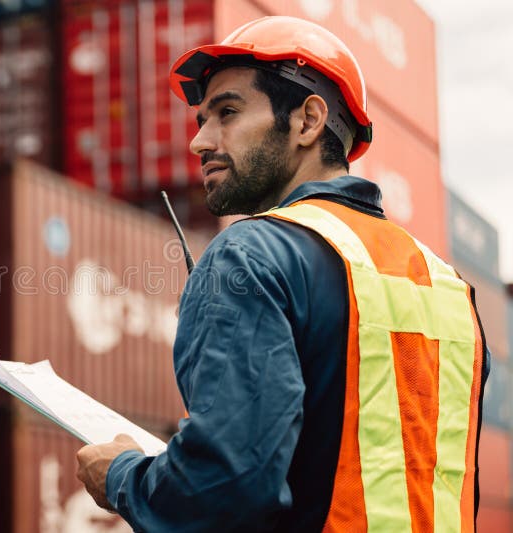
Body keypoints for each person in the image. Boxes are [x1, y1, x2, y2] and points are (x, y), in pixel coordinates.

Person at [75, 15, 490, 532]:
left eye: (226, 112)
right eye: (201, 120)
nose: (199, 142)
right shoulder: (450, 287)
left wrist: (120, 475)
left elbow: (224, 488)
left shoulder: (252, 255)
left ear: (307, 121)